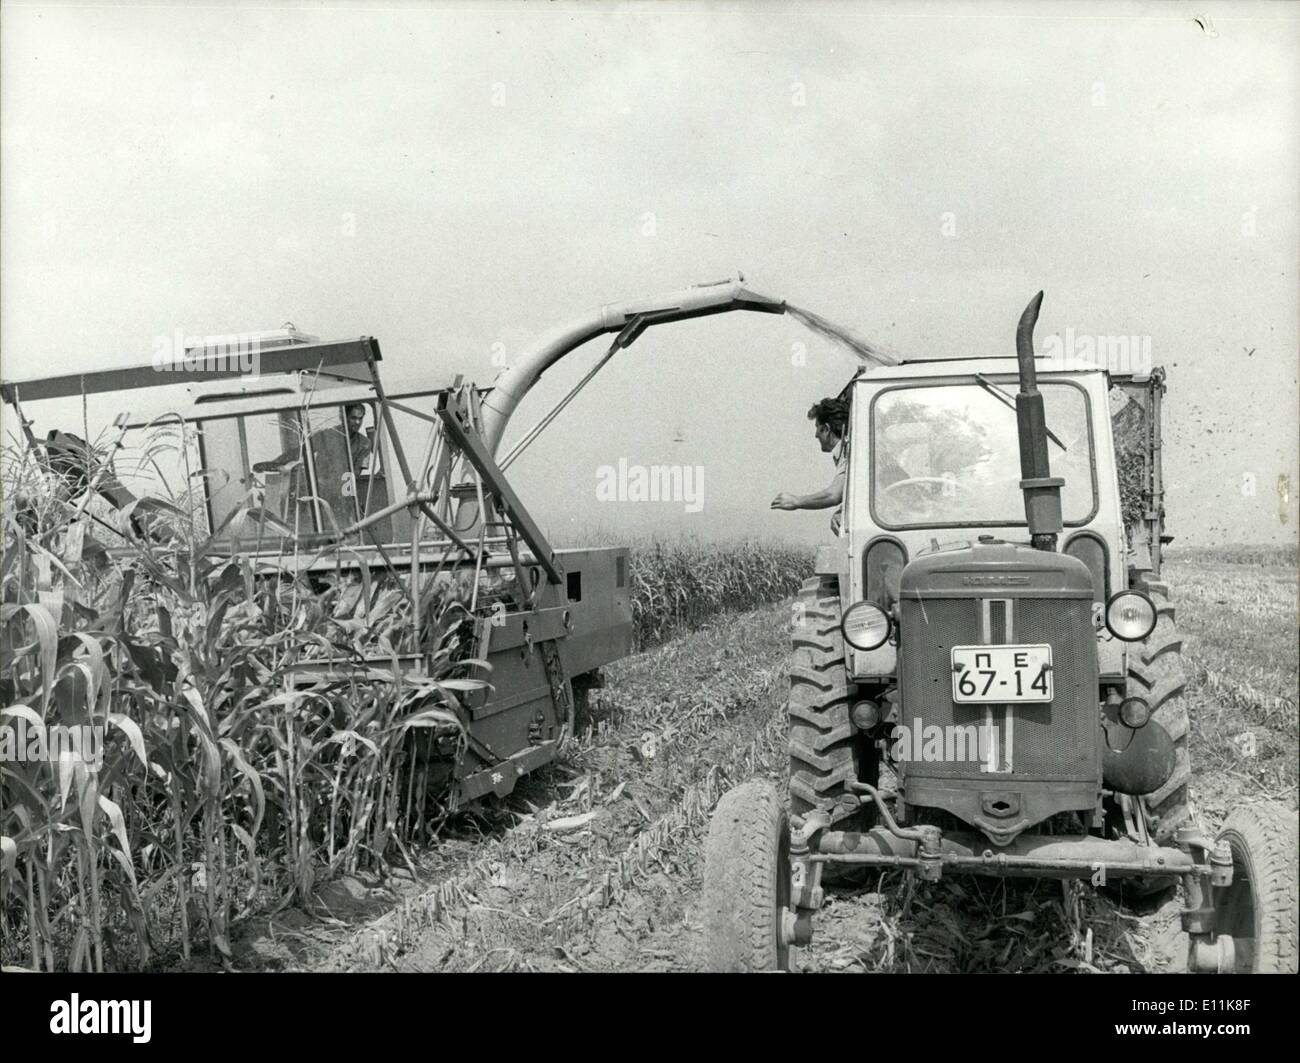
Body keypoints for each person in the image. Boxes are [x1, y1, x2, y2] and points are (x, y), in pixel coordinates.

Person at [771, 397, 850, 535]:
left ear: (826, 429)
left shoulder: (849, 450)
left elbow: (833, 495)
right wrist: (844, 510)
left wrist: (796, 501)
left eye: (817, 429)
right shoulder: (848, 451)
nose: (815, 435)